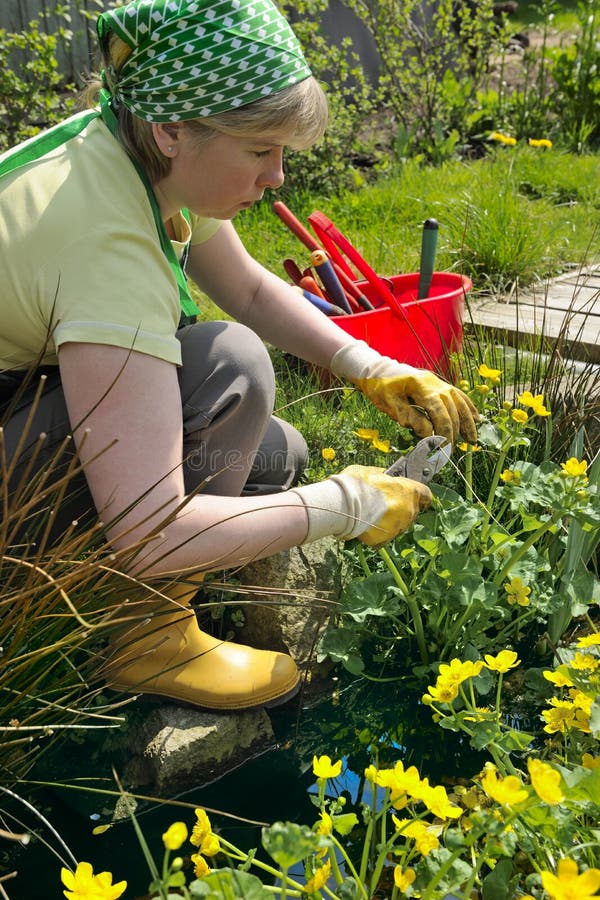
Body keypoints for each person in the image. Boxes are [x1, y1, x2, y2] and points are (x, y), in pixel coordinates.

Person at [0, 0, 478, 712]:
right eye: (261, 151)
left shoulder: (132, 150)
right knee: (231, 368)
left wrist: (370, 365)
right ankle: (147, 637)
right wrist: (344, 507)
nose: (279, 176)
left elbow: (250, 288)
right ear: (173, 131)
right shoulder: (104, 238)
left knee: (269, 454)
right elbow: (148, 529)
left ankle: (95, 589)